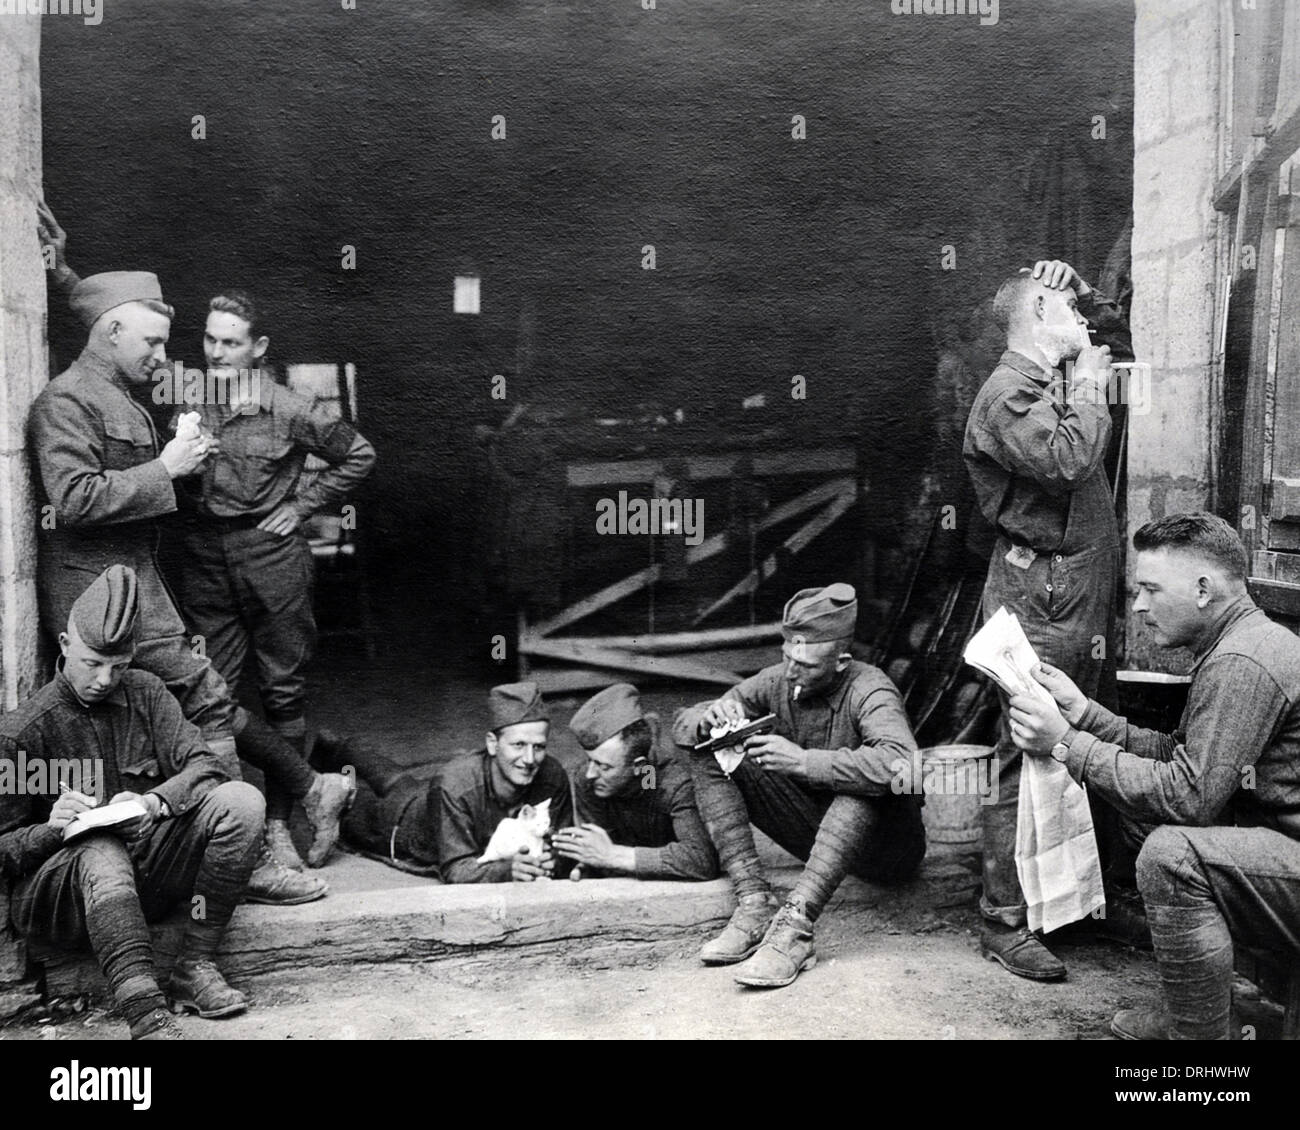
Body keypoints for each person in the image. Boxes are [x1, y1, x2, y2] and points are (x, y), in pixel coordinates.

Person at [27, 256, 351, 905]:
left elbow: (107, 310)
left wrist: (64, 273)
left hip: (138, 576)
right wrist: (168, 468)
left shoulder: (117, 386)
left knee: (207, 696)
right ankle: (258, 848)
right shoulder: (67, 400)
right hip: (102, 591)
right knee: (204, 700)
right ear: (112, 334)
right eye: (152, 342)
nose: (163, 357)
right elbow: (73, 498)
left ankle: (294, 805)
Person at [1006, 513, 1300, 1040]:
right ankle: (1208, 1008)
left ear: (1203, 589)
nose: (1138, 606)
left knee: (1171, 854)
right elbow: (1181, 756)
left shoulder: (1242, 661)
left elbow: (1189, 796)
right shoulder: (1244, 642)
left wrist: (1063, 742)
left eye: (1149, 589)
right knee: (1144, 823)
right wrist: (1085, 714)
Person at [0, 566, 264, 1040]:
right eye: (91, 663)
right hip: (62, 903)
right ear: (64, 645)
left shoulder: (146, 693)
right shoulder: (23, 732)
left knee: (241, 801)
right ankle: (146, 1014)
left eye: (118, 666)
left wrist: (155, 804)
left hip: (144, 878)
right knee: (101, 848)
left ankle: (195, 965)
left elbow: (207, 766)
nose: (104, 679)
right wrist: (53, 829)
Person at [962, 257, 1133, 981]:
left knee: (1084, 731)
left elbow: (1119, 341)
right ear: (1036, 312)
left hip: (1078, 587)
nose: (1086, 325)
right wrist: (1091, 380)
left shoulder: (1055, 376)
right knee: (1025, 744)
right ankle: (1004, 919)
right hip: (1042, 595)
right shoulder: (1006, 394)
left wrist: (1083, 289)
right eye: (1070, 310)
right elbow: (1066, 460)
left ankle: (1080, 903)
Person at [167, 289, 375, 871]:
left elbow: (359, 455)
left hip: (271, 555)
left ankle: (281, 825)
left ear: (257, 348)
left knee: (283, 691)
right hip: (206, 555)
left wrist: (304, 505)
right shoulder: (189, 398)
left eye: (230, 342)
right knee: (212, 691)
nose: (216, 352)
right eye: (210, 339)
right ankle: (238, 831)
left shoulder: (292, 407)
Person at [672, 583, 925, 989]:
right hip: (817, 834)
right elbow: (683, 725)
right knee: (709, 750)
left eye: (805, 664)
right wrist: (709, 716)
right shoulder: (781, 680)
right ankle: (755, 901)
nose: (791, 671)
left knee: (859, 784)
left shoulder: (870, 688)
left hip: (887, 849)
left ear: (842, 661)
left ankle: (795, 929)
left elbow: (905, 767)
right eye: (786, 656)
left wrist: (804, 762)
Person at [314, 682, 574, 882]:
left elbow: (562, 845)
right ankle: (312, 775)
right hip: (402, 821)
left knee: (396, 779)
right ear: (492, 744)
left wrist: (554, 859)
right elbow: (456, 868)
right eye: (518, 745)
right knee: (353, 797)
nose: (530, 759)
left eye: (539, 747)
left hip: (429, 792)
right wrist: (507, 871)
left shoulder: (552, 776)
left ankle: (338, 747)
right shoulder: (456, 783)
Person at [554, 683, 717, 881]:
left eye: (604, 766)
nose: (589, 774)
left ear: (638, 766)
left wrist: (611, 856)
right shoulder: (589, 781)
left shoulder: (674, 784)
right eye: (590, 760)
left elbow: (701, 859)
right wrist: (589, 863)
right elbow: (602, 844)